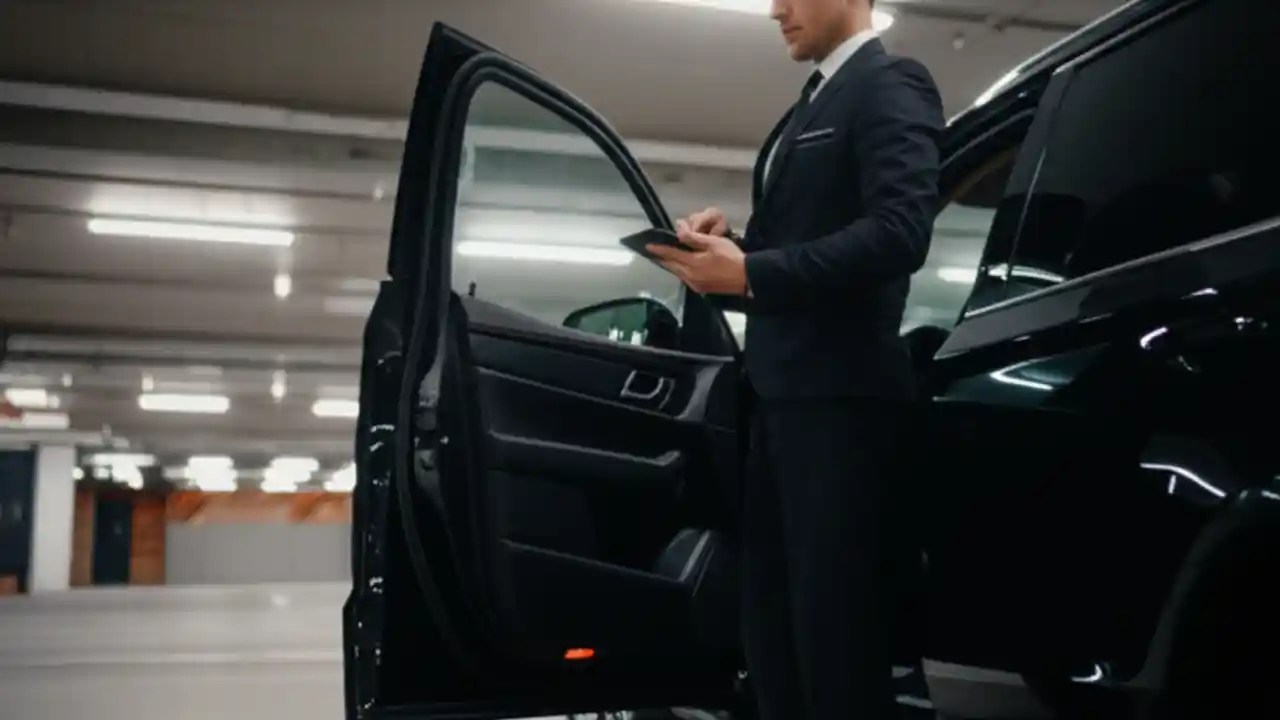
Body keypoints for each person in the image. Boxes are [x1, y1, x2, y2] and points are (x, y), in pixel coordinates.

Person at [645, 0, 944, 717]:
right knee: (773, 645)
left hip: (841, 413)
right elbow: (814, 244)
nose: (775, 9)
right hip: (779, 408)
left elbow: (900, 230)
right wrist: (734, 250)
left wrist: (752, 273)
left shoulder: (891, 81)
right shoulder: (811, 103)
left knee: (834, 649)